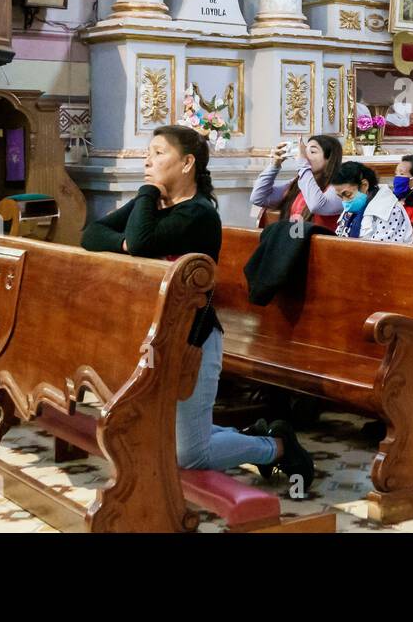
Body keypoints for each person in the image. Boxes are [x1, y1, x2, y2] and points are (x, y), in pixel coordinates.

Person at [81, 125, 313, 487]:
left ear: (187, 162)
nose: (148, 160)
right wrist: (127, 241)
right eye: (149, 152)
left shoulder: (198, 213)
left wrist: (145, 196)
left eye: (158, 153)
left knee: (191, 455)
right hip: (153, 335)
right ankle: (254, 433)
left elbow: (141, 241)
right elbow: (92, 235)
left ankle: (277, 447)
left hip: (194, 340)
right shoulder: (154, 205)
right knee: (166, 432)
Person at [251, 134, 343, 231]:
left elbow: (317, 205)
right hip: (294, 241)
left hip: (323, 244)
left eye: (312, 151)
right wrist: (274, 165)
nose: (305, 156)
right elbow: (258, 198)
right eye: (305, 151)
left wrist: (303, 164)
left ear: (329, 159)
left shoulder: (339, 186)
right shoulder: (298, 183)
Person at [332, 161, 413, 243]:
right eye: (340, 197)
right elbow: (339, 238)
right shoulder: (355, 207)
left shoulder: (389, 210)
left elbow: (381, 250)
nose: (344, 201)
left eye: (348, 194)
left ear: (364, 185)